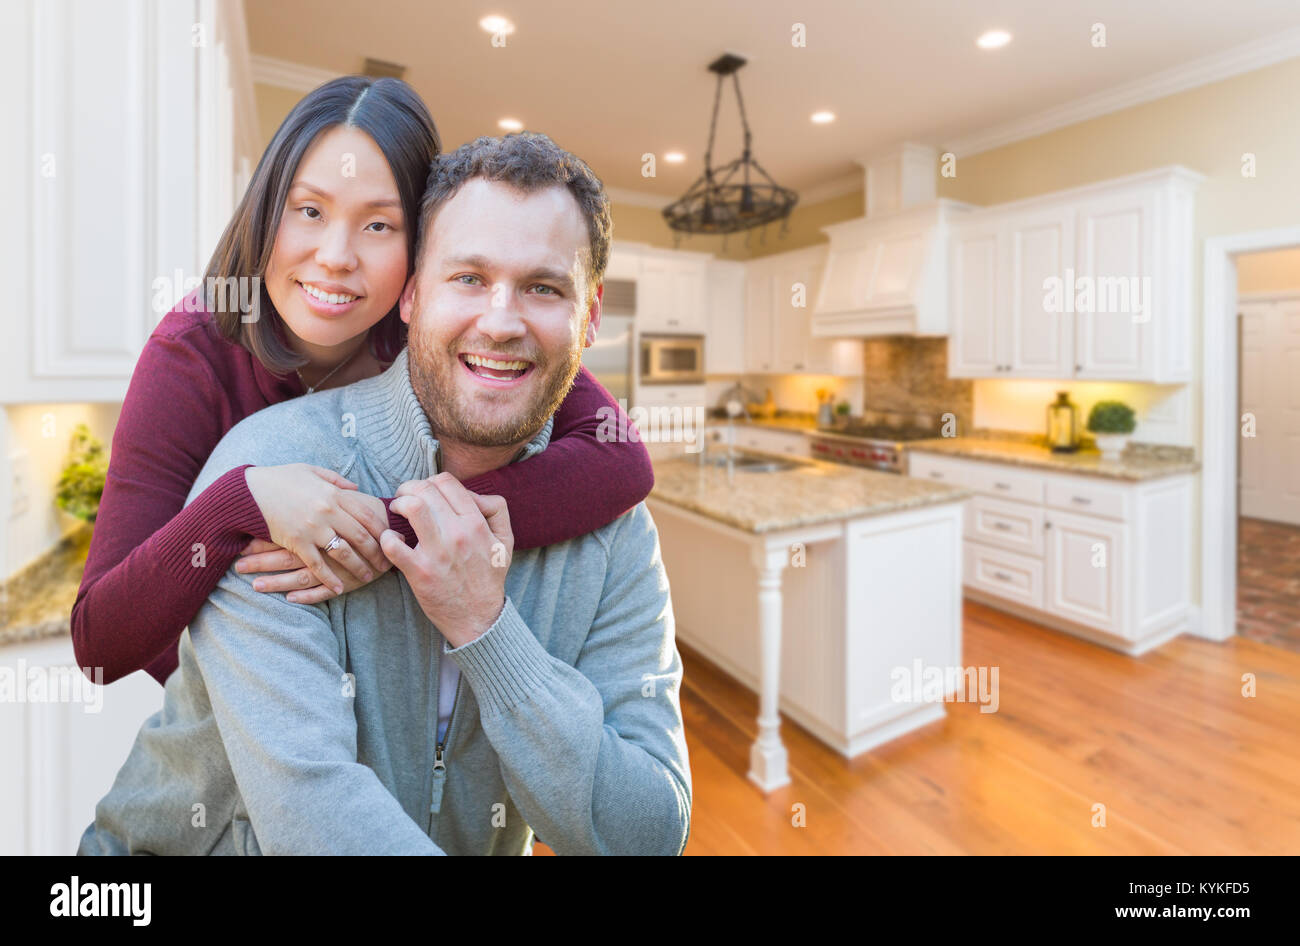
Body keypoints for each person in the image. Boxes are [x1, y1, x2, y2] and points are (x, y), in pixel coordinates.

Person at [78, 131, 691, 856]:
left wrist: (485, 626)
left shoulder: (614, 527)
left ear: (588, 320)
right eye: (467, 277)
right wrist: (239, 505)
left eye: (544, 287)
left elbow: (650, 836)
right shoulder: (271, 463)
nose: (501, 320)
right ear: (411, 297)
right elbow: (314, 815)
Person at [72, 75, 653, 687]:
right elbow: (99, 644)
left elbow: (620, 458)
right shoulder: (192, 353)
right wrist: (243, 502)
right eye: (310, 211)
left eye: (379, 225)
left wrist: (378, 534)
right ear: (267, 209)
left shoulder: (437, 332)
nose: (335, 256)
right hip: (227, 701)